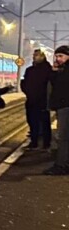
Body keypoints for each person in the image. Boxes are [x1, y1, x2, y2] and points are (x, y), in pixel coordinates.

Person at [20, 48, 53, 150]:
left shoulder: (48, 69)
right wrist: (28, 92)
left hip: (42, 101)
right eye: (34, 55)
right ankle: (34, 142)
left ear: (42, 56)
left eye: (37, 55)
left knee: (44, 123)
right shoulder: (29, 70)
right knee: (32, 122)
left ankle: (46, 143)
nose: (34, 57)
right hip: (31, 100)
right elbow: (24, 83)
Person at [46, 46, 69, 175]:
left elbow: (61, 87)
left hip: (65, 106)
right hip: (63, 106)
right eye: (56, 56)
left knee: (63, 138)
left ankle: (61, 165)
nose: (58, 59)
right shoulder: (63, 70)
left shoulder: (66, 71)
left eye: (61, 56)